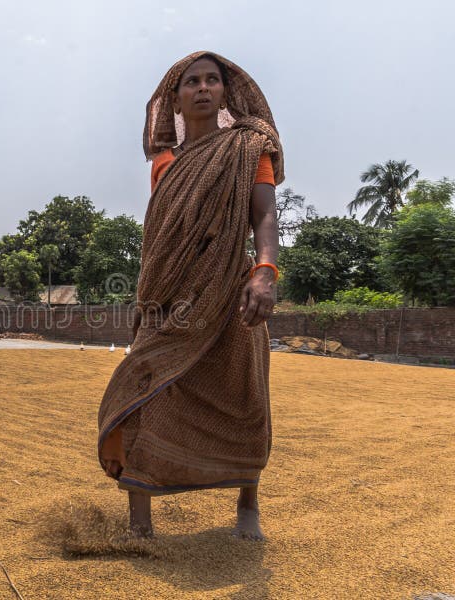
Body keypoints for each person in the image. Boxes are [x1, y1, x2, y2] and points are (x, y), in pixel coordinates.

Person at [97, 51, 283, 541]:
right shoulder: (163, 163)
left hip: (229, 291)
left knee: (245, 397)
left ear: (226, 92)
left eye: (212, 80)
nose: (203, 88)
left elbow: (263, 216)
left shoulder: (248, 148)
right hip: (168, 295)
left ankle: (248, 504)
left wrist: (265, 271)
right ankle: (140, 523)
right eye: (192, 82)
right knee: (145, 389)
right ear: (175, 101)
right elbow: (163, 233)